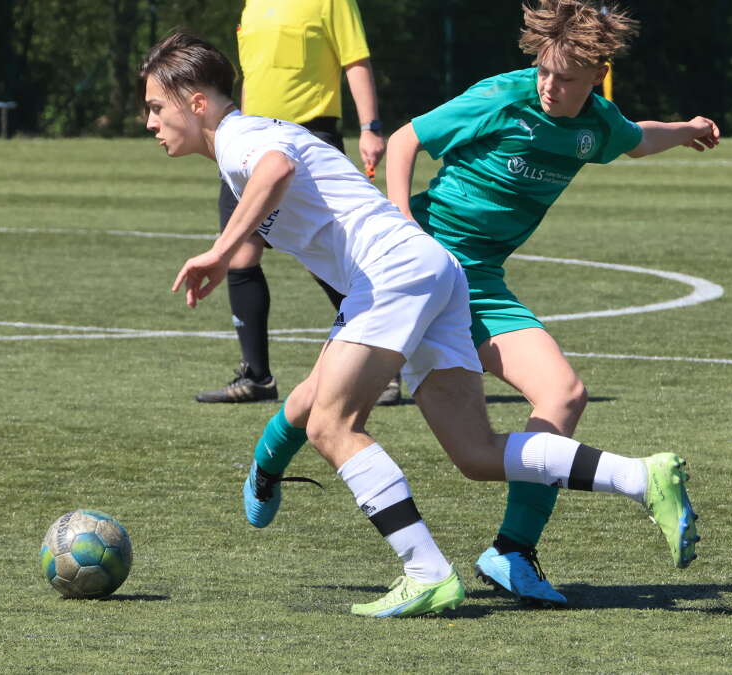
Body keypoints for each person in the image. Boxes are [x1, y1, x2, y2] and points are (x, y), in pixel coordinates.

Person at [140, 29, 699, 617]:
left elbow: (276, 169)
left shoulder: (239, 137)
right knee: (476, 453)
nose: (150, 121)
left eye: (156, 106)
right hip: (435, 270)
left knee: (331, 424)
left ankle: (425, 570)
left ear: (195, 101)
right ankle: (640, 477)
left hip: (394, 273)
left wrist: (221, 249)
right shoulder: (256, 132)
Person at [195, 0, 400, 405]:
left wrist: (370, 127)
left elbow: (355, 61)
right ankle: (257, 377)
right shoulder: (253, 7)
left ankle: (384, 367)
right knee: (239, 256)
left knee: (327, 255)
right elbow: (251, 77)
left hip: (309, 140)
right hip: (250, 143)